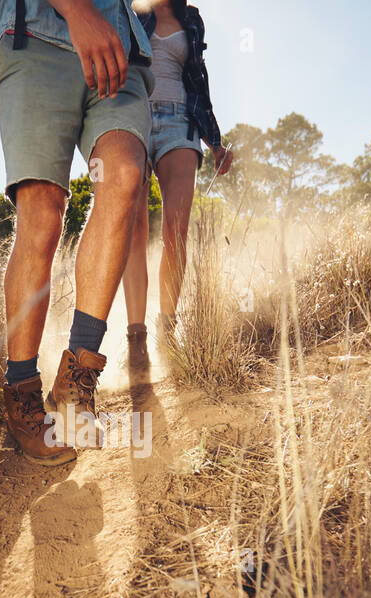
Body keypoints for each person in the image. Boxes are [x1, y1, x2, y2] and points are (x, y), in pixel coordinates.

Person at [0, 0, 154, 464]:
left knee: (122, 176)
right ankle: (21, 392)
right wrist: (79, 13)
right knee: (42, 215)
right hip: (36, 40)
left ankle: (77, 379)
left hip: (118, 48)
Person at [123, 0, 231, 354]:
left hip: (180, 123)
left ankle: (167, 333)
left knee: (176, 231)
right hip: (134, 119)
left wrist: (214, 142)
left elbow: (199, 79)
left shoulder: (191, 18)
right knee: (134, 231)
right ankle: (136, 340)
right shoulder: (133, 10)